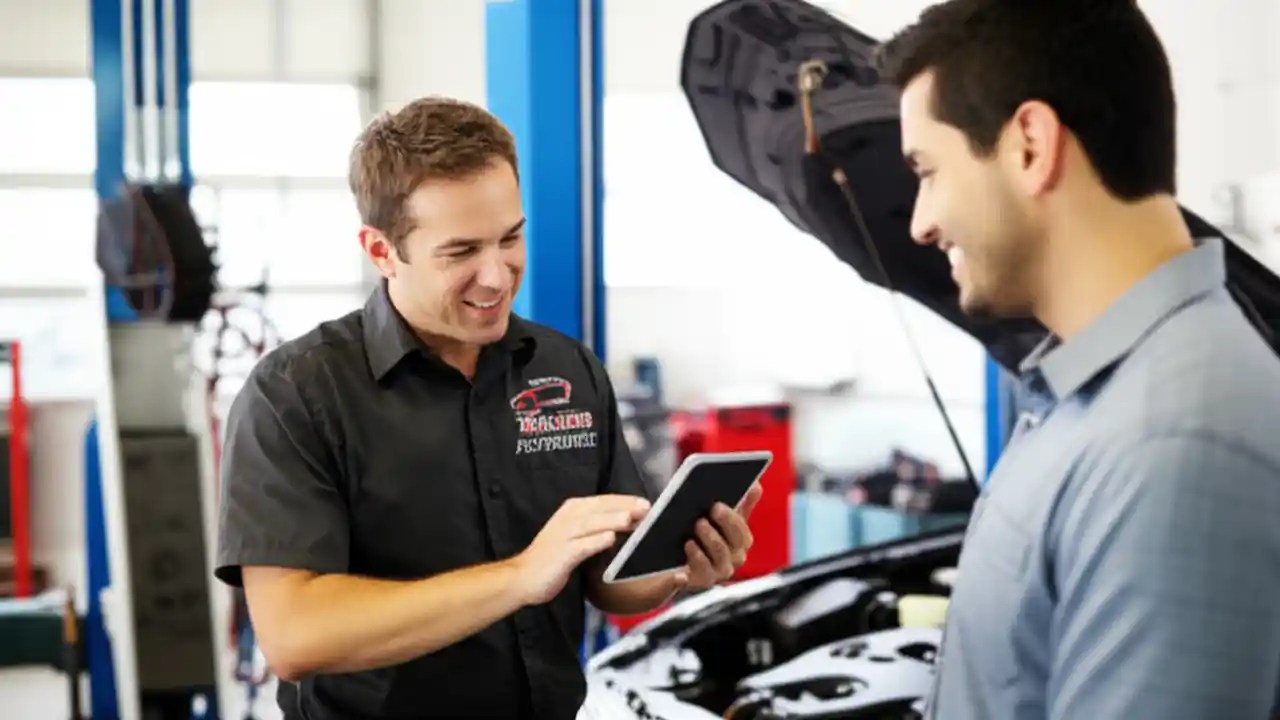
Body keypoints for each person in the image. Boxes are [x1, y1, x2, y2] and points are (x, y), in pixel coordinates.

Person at [213, 96, 763, 719]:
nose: (497, 276)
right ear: (381, 251)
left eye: (510, 238)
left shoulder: (568, 370)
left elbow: (606, 581)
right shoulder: (296, 396)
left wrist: (679, 569)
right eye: (461, 252)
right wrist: (518, 577)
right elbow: (295, 636)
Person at [875, 1, 1280, 718]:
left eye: (926, 170)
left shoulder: (1175, 444)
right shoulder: (1093, 402)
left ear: (1029, 144)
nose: (920, 221)